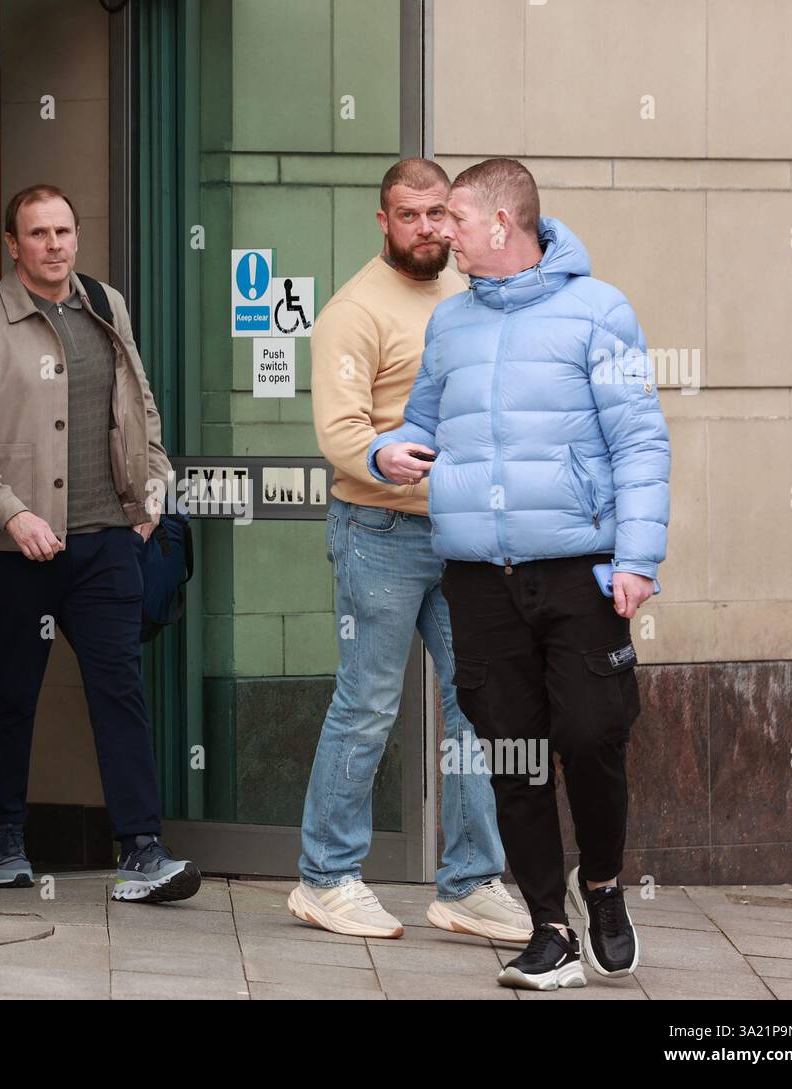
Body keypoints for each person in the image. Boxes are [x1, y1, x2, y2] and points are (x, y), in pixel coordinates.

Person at [369, 158, 670, 989]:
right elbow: (421, 421)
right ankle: (548, 929)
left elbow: (641, 439)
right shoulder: (452, 324)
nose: (440, 233)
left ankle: (601, 882)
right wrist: (385, 450)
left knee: (590, 735)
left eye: (454, 221)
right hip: (479, 577)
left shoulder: (599, 313)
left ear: (501, 223)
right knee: (515, 754)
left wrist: (638, 557)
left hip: (579, 571)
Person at [0, 183, 200, 904]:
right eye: (38, 233)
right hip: (11, 548)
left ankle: (142, 849)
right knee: (14, 688)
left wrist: (150, 494)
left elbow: (139, 402)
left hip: (105, 539)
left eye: (64, 231)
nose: (54, 245)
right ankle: (2, 835)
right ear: (12, 244)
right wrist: (15, 516)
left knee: (120, 686)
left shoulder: (104, 305)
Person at [288, 158, 530, 943]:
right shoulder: (353, 311)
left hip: (463, 538)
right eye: (410, 214)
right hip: (381, 534)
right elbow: (340, 431)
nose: (427, 228)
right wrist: (381, 455)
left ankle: (469, 882)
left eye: (438, 214)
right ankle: (325, 876)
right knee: (368, 705)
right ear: (383, 220)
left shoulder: (466, 293)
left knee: (478, 708)